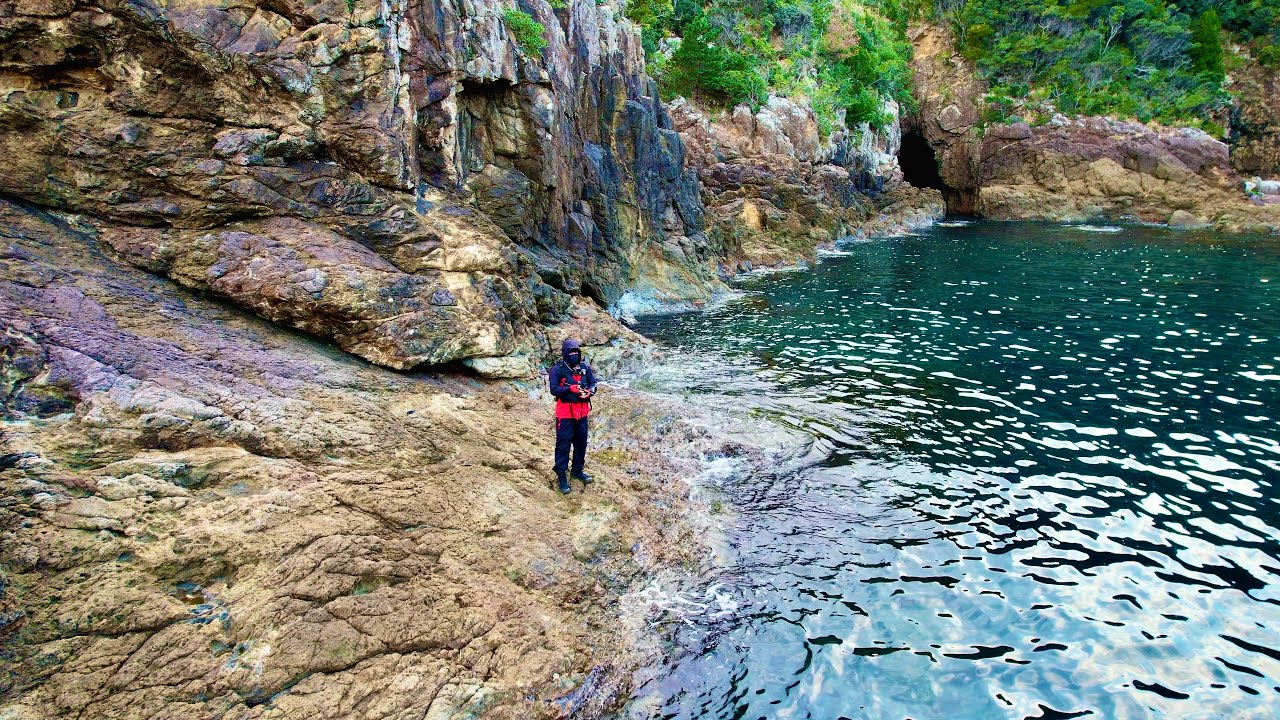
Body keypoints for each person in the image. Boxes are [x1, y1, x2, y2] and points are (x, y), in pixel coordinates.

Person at [548, 338, 597, 494]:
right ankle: (561, 475)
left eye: (576, 352)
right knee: (563, 445)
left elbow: (593, 383)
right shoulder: (557, 370)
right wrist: (570, 390)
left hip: (582, 412)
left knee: (581, 443)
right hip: (565, 414)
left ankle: (577, 470)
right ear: (565, 353)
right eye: (571, 352)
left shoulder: (585, 368)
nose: (574, 355)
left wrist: (589, 392)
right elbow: (554, 390)